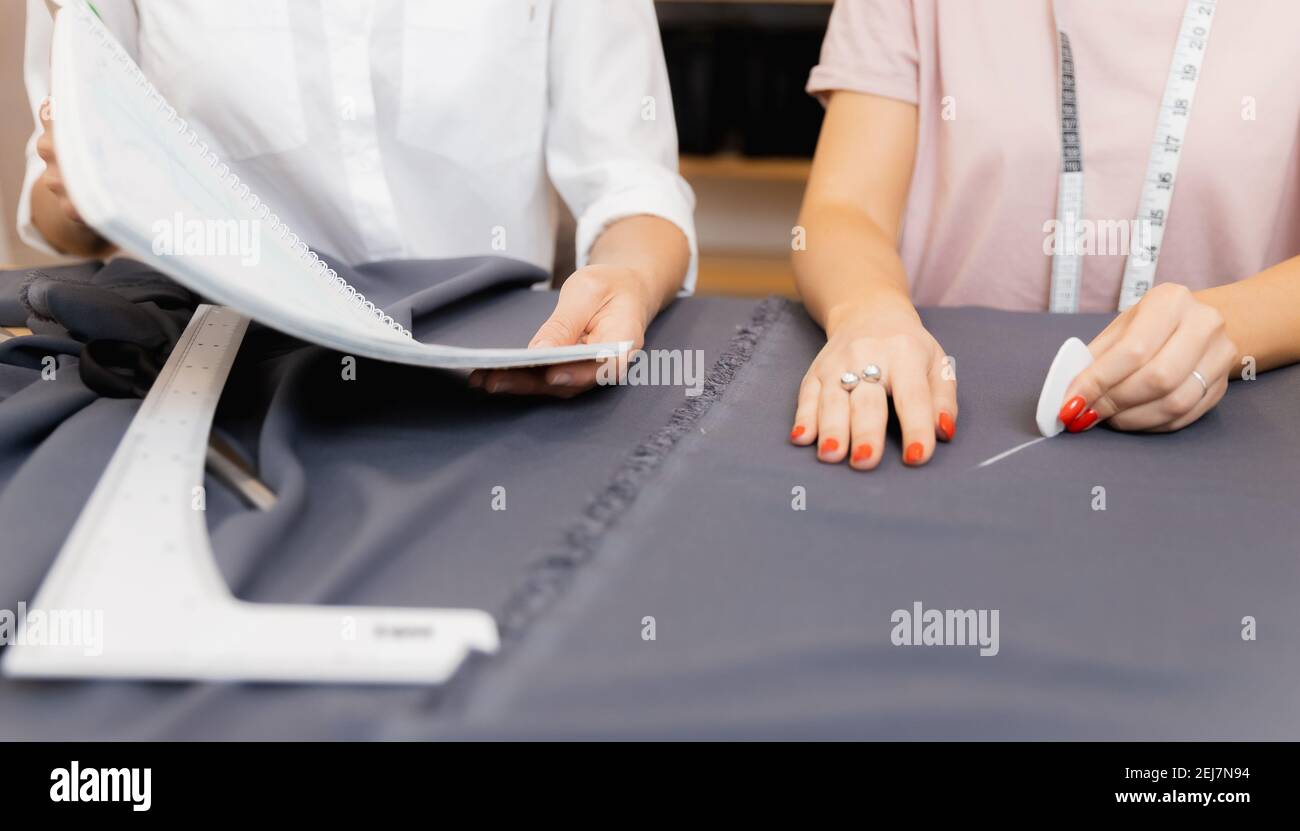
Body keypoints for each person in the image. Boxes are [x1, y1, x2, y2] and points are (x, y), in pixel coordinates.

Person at [20, 0, 696, 397]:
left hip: (487, 384)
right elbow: (59, 218)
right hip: (218, 387)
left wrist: (630, 277)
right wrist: (91, 181)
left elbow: (632, 182)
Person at [790, 0, 1300, 469]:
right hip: (943, 399)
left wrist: (1227, 330)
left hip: (1228, 440)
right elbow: (845, 207)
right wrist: (870, 313)